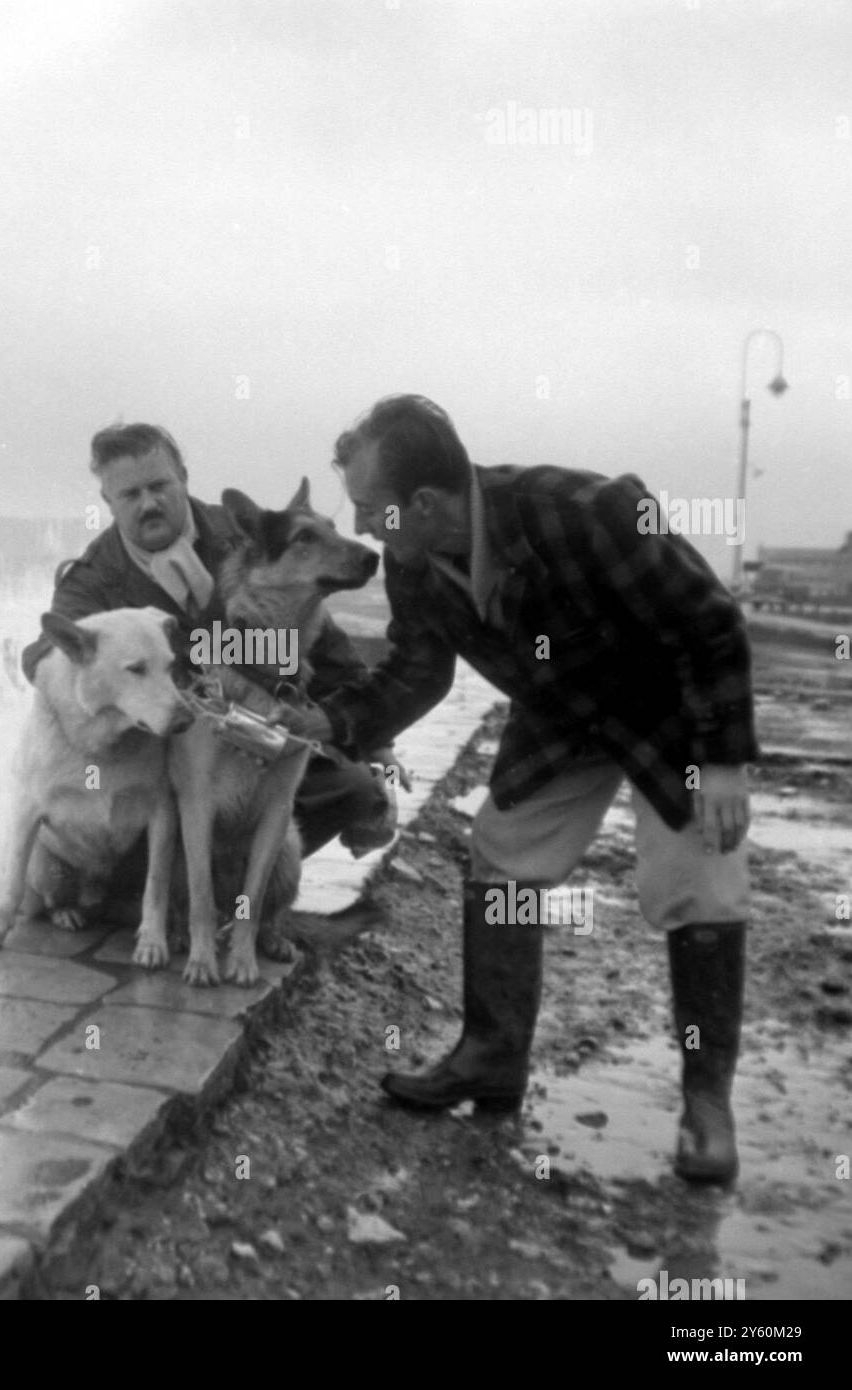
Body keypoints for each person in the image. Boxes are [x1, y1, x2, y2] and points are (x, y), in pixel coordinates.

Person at [287, 394, 755, 1184]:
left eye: (371, 510)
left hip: (669, 709)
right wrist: (327, 726)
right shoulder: (412, 561)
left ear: (424, 503)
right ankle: (491, 1056)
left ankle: (706, 1105)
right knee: (499, 852)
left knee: (699, 883)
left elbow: (707, 621)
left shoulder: (594, 510)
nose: (363, 529)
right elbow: (414, 673)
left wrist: (721, 761)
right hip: (562, 714)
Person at [21, 421, 397, 862]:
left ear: (183, 476)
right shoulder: (95, 577)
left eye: (158, 486)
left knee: (358, 791)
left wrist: (384, 759)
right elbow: (44, 656)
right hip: (168, 764)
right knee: (138, 838)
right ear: (108, 501)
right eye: (129, 495)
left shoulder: (247, 532)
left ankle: (246, 886)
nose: (148, 504)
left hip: (262, 742)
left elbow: (330, 650)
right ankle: (173, 889)